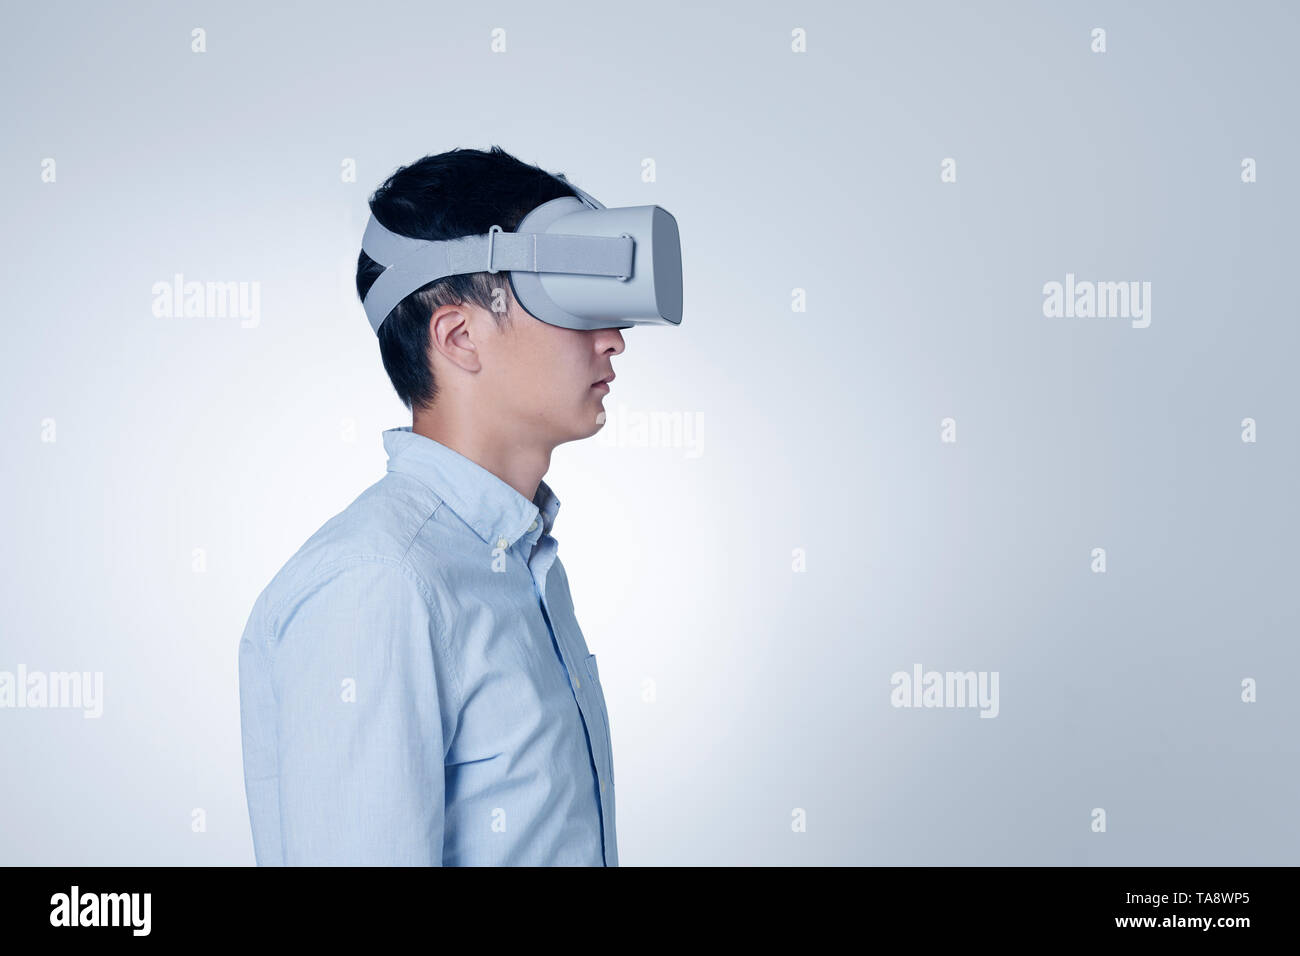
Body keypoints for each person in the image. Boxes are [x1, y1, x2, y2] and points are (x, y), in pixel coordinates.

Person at [237, 146, 621, 865]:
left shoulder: (520, 564)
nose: (613, 340)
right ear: (458, 335)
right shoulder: (380, 585)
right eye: (572, 301)